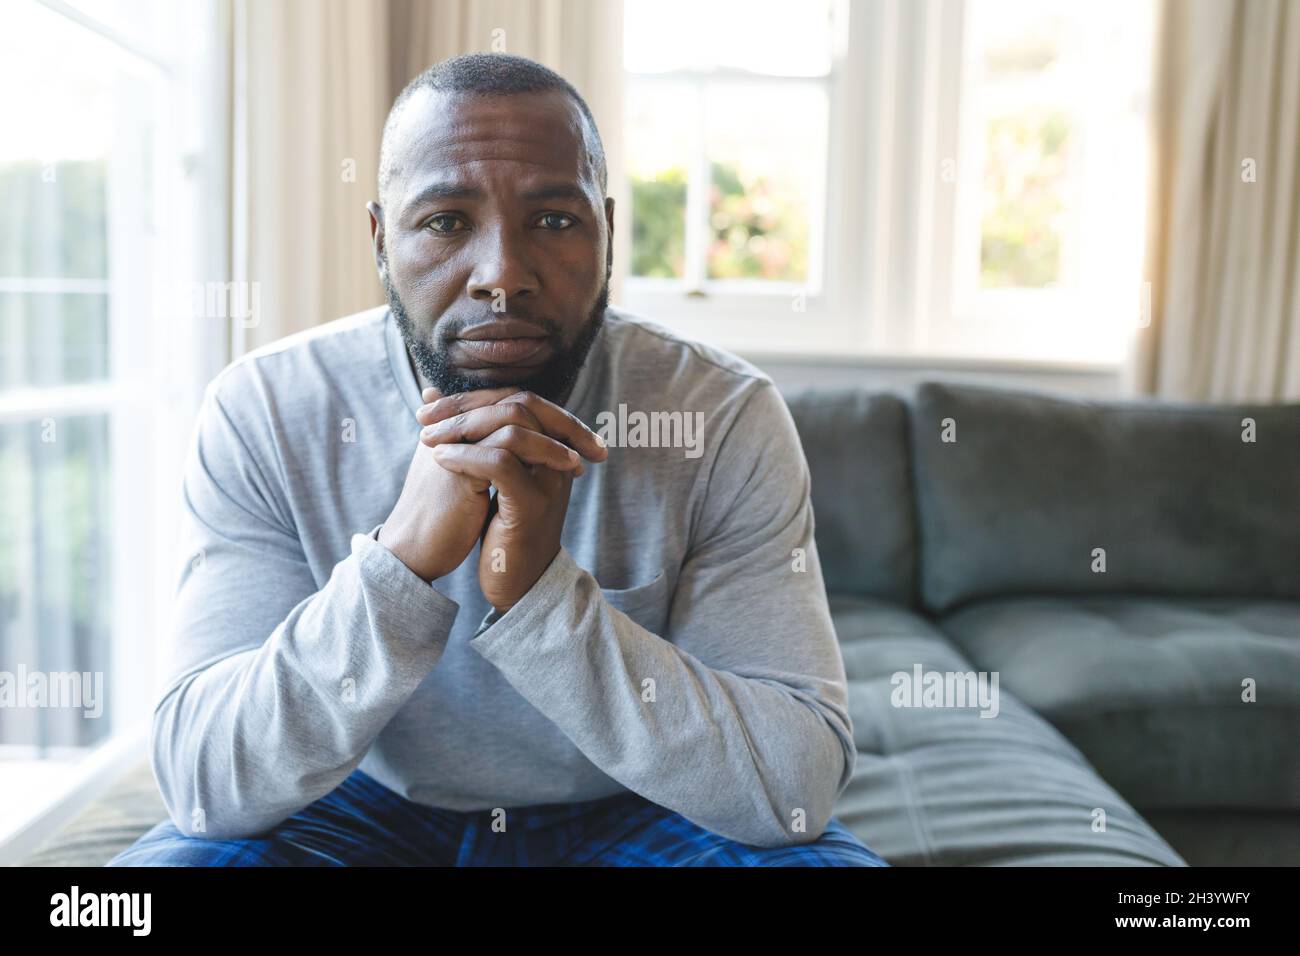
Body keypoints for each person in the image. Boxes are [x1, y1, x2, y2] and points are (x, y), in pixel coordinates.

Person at [108, 52, 887, 867]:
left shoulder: (721, 415)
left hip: (645, 810)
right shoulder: (266, 410)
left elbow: (795, 785)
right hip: (364, 807)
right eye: (445, 221)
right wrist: (400, 567)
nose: (502, 277)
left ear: (608, 234)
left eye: (554, 221)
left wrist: (539, 600)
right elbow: (204, 782)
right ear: (381, 241)